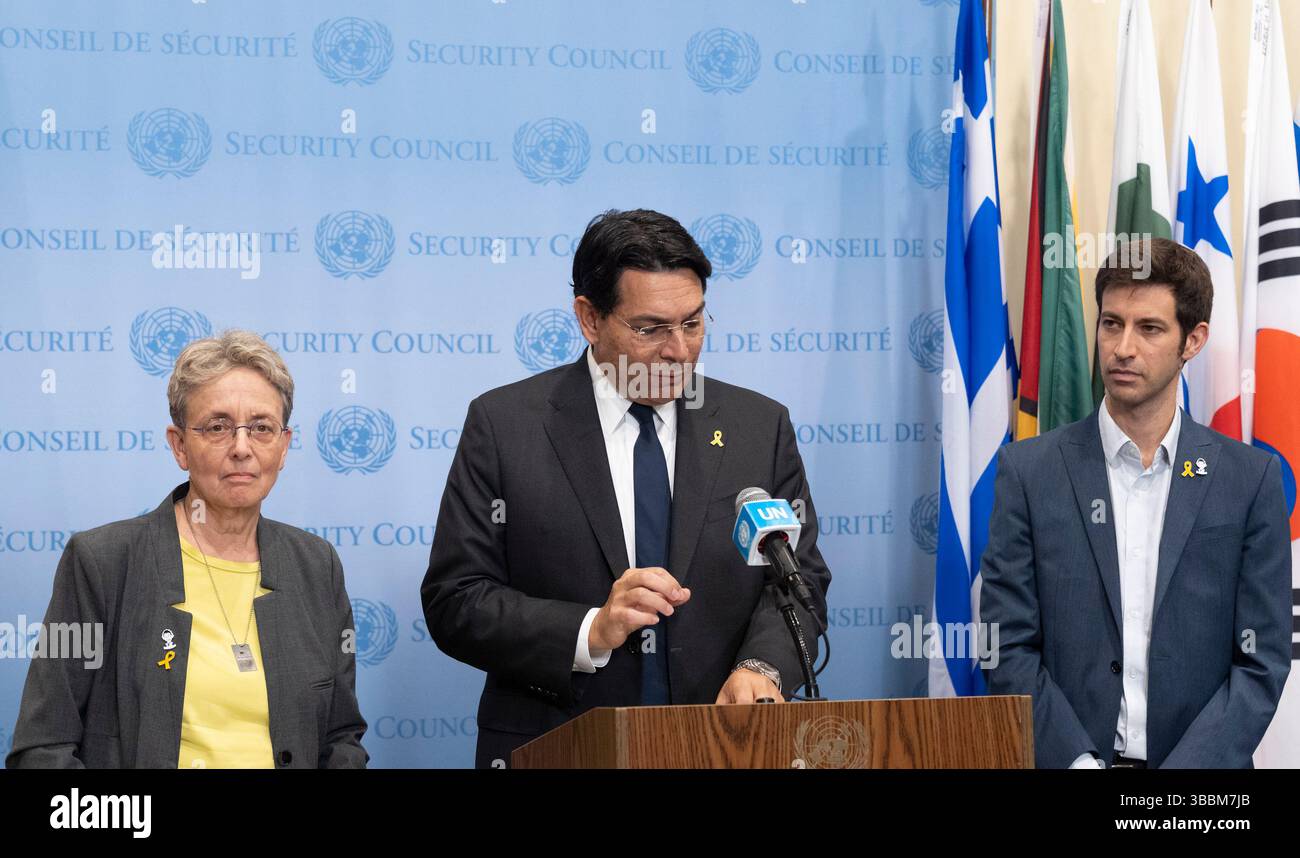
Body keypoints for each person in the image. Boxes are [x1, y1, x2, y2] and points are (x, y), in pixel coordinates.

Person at [421, 208, 831, 767]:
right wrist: (592, 628)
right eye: (650, 329)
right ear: (589, 319)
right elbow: (457, 599)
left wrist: (761, 667)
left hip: (724, 745)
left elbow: (797, 578)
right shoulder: (505, 425)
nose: (679, 351)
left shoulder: (757, 427)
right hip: (559, 744)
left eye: (693, 323)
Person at [981, 238, 1292, 768]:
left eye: (1149, 328)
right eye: (1111, 323)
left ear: (1192, 341)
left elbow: (1261, 660)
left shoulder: (1250, 479)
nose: (1123, 347)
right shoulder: (1028, 472)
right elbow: (1004, 646)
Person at [7, 331, 368, 768]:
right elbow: (43, 747)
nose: (241, 448)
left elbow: (341, 737)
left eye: (261, 428)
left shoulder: (316, 565)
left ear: (284, 445)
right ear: (180, 445)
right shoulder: (102, 562)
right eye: (217, 427)